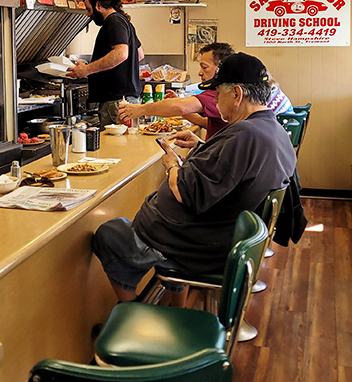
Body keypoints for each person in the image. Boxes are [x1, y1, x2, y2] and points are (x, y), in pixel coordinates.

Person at [92, 52, 297, 302]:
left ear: (237, 95)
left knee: (109, 234)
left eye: (217, 93)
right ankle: (173, 307)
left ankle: (132, 309)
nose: (216, 101)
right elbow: (232, 171)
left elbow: (184, 192)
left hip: (191, 243)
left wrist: (172, 164)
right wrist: (202, 146)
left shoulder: (244, 135)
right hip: (209, 233)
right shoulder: (271, 129)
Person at [66, 0, 144, 128]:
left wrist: (86, 70)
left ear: (98, 6)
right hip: (127, 99)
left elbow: (121, 54)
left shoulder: (113, 22)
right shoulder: (125, 22)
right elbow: (139, 54)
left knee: (116, 148)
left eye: (89, 10)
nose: (89, 15)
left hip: (116, 103)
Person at [118, 42, 234, 139]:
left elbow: (181, 107)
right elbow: (206, 123)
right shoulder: (218, 94)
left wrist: (141, 109)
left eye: (204, 67)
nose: (200, 72)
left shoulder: (218, 94)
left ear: (220, 69)